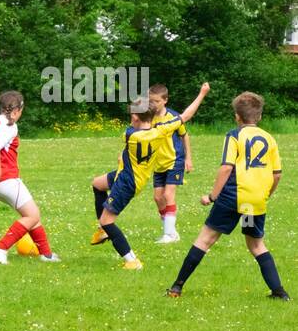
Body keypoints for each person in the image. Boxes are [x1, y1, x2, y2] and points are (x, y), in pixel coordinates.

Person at [167, 91, 287, 300]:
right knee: (256, 244)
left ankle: (177, 287)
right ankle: (279, 292)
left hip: (232, 196)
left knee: (205, 240)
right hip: (253, 201)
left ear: (237, 117)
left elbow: (226, 168)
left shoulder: (234, 135)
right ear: (258, 116)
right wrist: (265, 194)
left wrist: (212, 197)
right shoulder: (270, 138)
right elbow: (277, 175)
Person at [89, 84, 209, 270]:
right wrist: (202, 94)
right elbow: (185, 116)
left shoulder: (130, 134)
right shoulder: (160, 130)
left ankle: (131, 260)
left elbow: (127, 148)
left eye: (131, 115)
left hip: (127, 181)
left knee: (107, 221)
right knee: (97, 184)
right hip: (132, 175)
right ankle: (102, 230)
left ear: (136, 117)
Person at [0, 91, 60, 264]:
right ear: (17, 110)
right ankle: (0, 247)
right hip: (7, 180)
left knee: (31, 214)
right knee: (32, 215)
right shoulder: (11, 126)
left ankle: (46, 254)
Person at [147, 84, 193, 243]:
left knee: (168, 195)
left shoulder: (173, 117)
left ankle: (169, 234)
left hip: (175, 160)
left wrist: (188, 158)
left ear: (165, 100)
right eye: (150, 101)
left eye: (156, 101)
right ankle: (171, 230)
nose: (153, 104)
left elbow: (184, 136)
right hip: (158, 164)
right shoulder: (149, 117)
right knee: (158, 198)